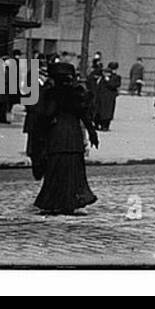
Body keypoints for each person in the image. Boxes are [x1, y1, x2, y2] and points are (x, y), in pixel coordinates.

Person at [29, 60, 100, 215]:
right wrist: (93, 134)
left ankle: (54, 201)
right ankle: (72, 200)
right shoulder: (76, 93)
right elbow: (85, 115)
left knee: (56, 169)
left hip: (57, 135)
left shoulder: (52, 93)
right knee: (74, 170)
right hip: (74, 137)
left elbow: (47, 114)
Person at [93, 62, 120, 131]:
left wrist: (108, 81)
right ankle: (98, 124)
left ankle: (105, 126)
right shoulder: (101, 79)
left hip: (108, 98)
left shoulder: (115, 77)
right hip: (100, 98)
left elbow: (114, 85)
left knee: (107, 113)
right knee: (98, 112)